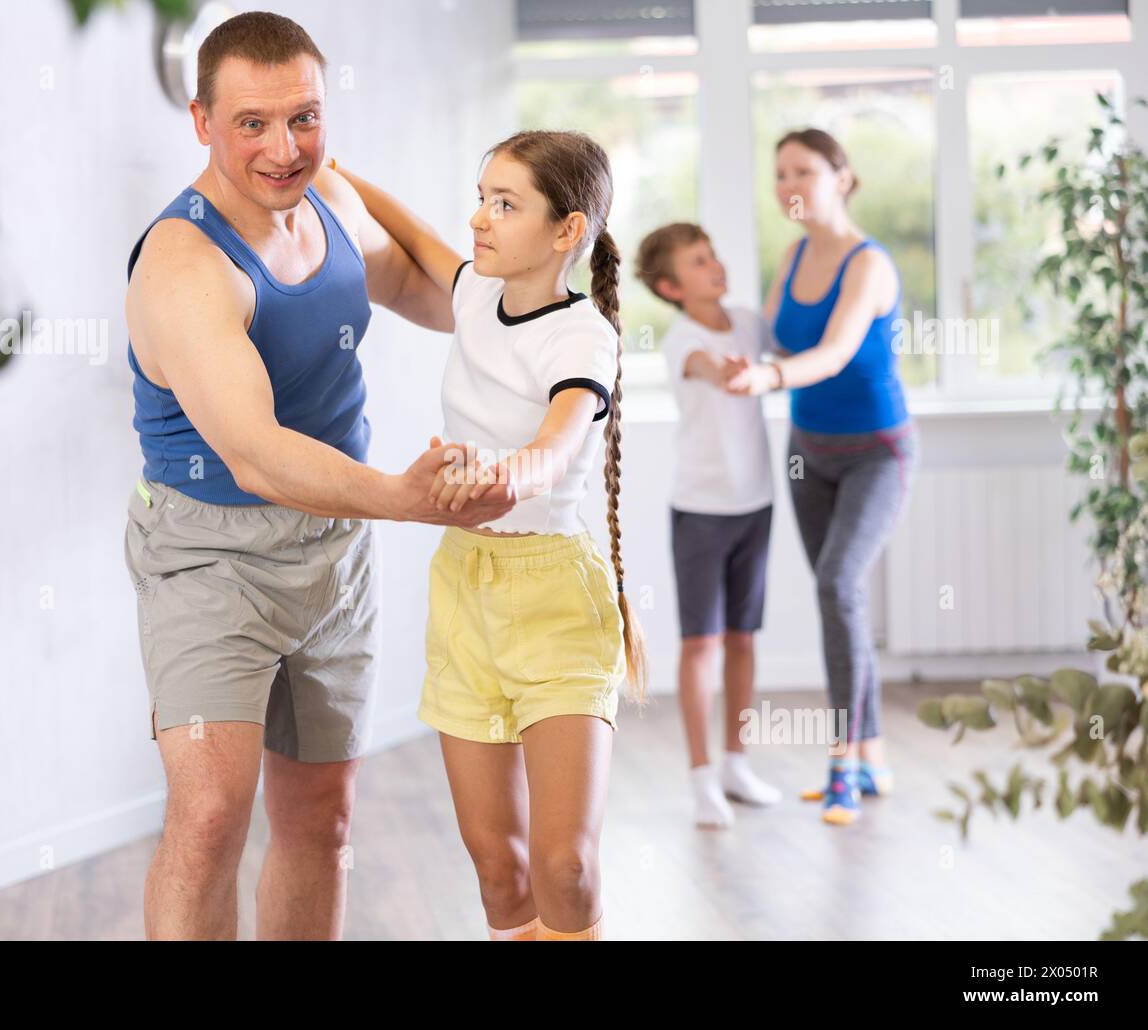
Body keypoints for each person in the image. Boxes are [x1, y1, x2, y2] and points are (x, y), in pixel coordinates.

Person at [122, 12, 516, 940]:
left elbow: (424, 290)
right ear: (201, 122)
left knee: (323, 819)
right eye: (252, 123)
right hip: (210, 556)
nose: (283, 148)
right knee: (209, 818)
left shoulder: (331, 198)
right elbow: (256, 455)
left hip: (334, 547)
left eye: (303, 118)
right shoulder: (184, 264)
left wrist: (534, 310)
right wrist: (406, 499)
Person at [331, 129, 648, 940]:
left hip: (556, 598)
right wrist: (330, 170)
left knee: (565, 867)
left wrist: (508, 478)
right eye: (481, 198)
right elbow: (411, 234)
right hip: (464, 590)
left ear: (567, 231)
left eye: (505, 204)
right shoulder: (477, 291)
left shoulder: (583, 336)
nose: (480, 218)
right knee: (498, 870)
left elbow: (558, 443)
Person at [724, 128, 917, 826]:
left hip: (877, 452)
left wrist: (769, 378)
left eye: (803, 170)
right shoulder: (794, 254)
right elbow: (774, 336)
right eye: (779, 173)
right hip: (809, 451)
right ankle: (873, 754)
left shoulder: (869, 265)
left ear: (841, 176)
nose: (788, 185)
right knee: (842, 599)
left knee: (838, 586)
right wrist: (710, 333)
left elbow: (833, 354)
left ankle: (843, 764)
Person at [635, 223, 782, 829]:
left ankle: (735, 764)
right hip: (700, 512)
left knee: (743, 638)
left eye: (713, 254)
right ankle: (701, 778)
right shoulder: (682, 342)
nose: (714, 265)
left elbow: (789, 340)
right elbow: (705, 367)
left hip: (756, 504)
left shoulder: (748, 322)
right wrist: (728, 371)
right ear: (671, 287)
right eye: (698, 261)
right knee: (702, 643)